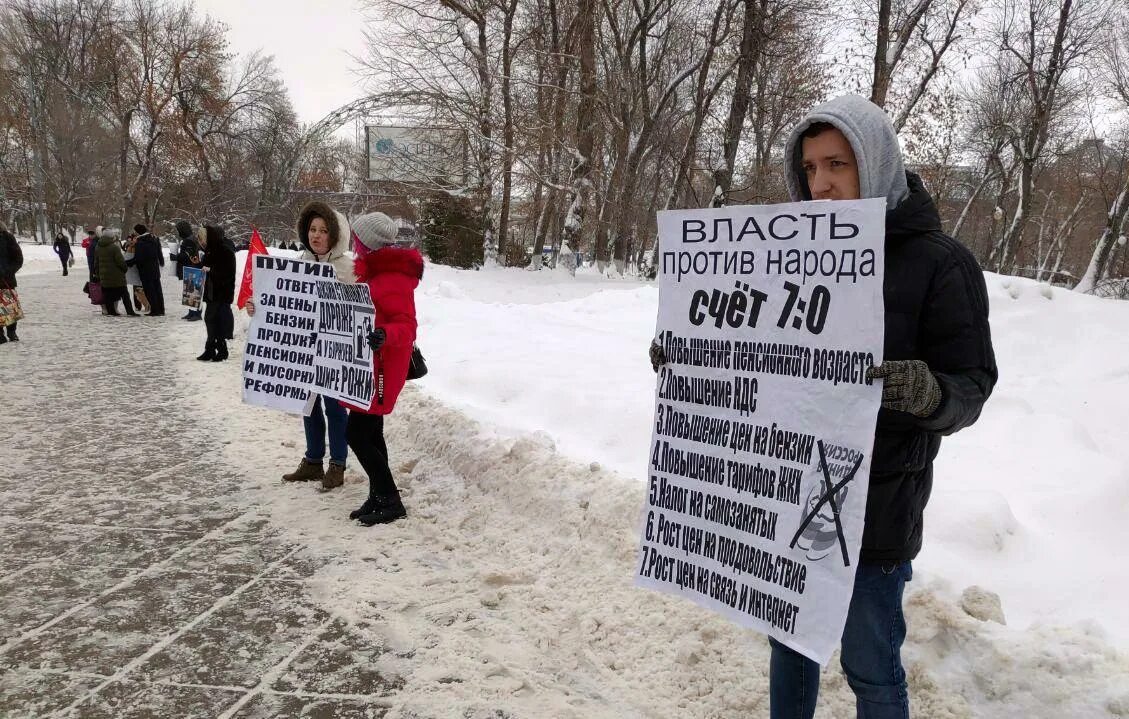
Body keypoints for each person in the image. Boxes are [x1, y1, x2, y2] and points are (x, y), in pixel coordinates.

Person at [650, 95, 997, 719]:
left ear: (875, 162)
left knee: (871, 663)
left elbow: (971, 383)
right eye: (810, 169)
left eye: (837, 164)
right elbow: (758, 352)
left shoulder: (940, 264)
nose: (822, 184)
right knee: (790, 642)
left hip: (877, 505)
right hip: (786, 488)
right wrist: (691, 357)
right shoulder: (781, 254)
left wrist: (927, 393)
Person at [247, 201, 356, 491]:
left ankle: (338, 463)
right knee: (308, 405)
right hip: (304, 351)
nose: (316, 236)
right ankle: (312, 460)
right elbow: (281, 302)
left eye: (323, 230)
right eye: (312, 229)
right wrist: (258, 307)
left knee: (334, 406)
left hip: (334, 350)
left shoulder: (349, 269)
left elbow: (361, 308)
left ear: (335, 235)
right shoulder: (298, 264)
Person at [345, 212, 423, 525]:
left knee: (356, 434)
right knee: (370, 431)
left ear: (366, 242)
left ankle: (390, 498)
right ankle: (377, 494)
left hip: (383, 364)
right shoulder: (371, 272)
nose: (353, 243)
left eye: (356, 239)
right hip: (369, 361)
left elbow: (408, 325)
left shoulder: (392, 277)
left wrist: (384, 335)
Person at [196, 225, 235, 361]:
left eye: (202, 238)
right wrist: (200, 266)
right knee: (210, 320)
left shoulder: (225, 251)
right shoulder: (209, 251)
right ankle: (212, 349)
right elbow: (207, 268)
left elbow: (227, 274)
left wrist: (210, 270)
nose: (200, 241)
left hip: (221, 293)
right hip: (211, 292)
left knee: (214, 320)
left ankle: (219, 349)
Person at [95, 227, 138, 316]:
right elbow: (121, 262)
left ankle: (111, 312)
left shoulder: (98, 247)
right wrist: (124, 269)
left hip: (104, 276)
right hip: (117, 276)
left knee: (107, 295)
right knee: (124, 294)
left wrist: (98, 274)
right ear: (111, 237)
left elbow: (96, 262)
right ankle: (130, 312)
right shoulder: (114, 247)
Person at [128, 223, 166, 316]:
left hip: (145, 271)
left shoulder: (140, 242)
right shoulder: (154, 239)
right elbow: (159, 253)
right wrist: (161, 262)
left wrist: (127, 263)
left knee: (150, 291)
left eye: (135, 231)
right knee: (157, 290)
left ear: (138, 232)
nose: (134, 233)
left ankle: (155, 310)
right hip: (155, 269)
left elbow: (138, 258)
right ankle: (161, 309)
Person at [175, 220, 204, 321]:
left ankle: (196, 313)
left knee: (194, 291)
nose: (178, 232)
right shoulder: (191, 238)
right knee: (189, 291)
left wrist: (176, 256)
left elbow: (190, 256)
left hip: (192, 268)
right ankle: (192, 312)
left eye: (179, 230)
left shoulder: (189, 240)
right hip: (191, 268)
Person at [0, 220, 23, 343]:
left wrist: (8, 271)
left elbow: (18, 258)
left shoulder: (8, 237)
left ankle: (12, 332)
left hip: (6, 280)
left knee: (10, 308)